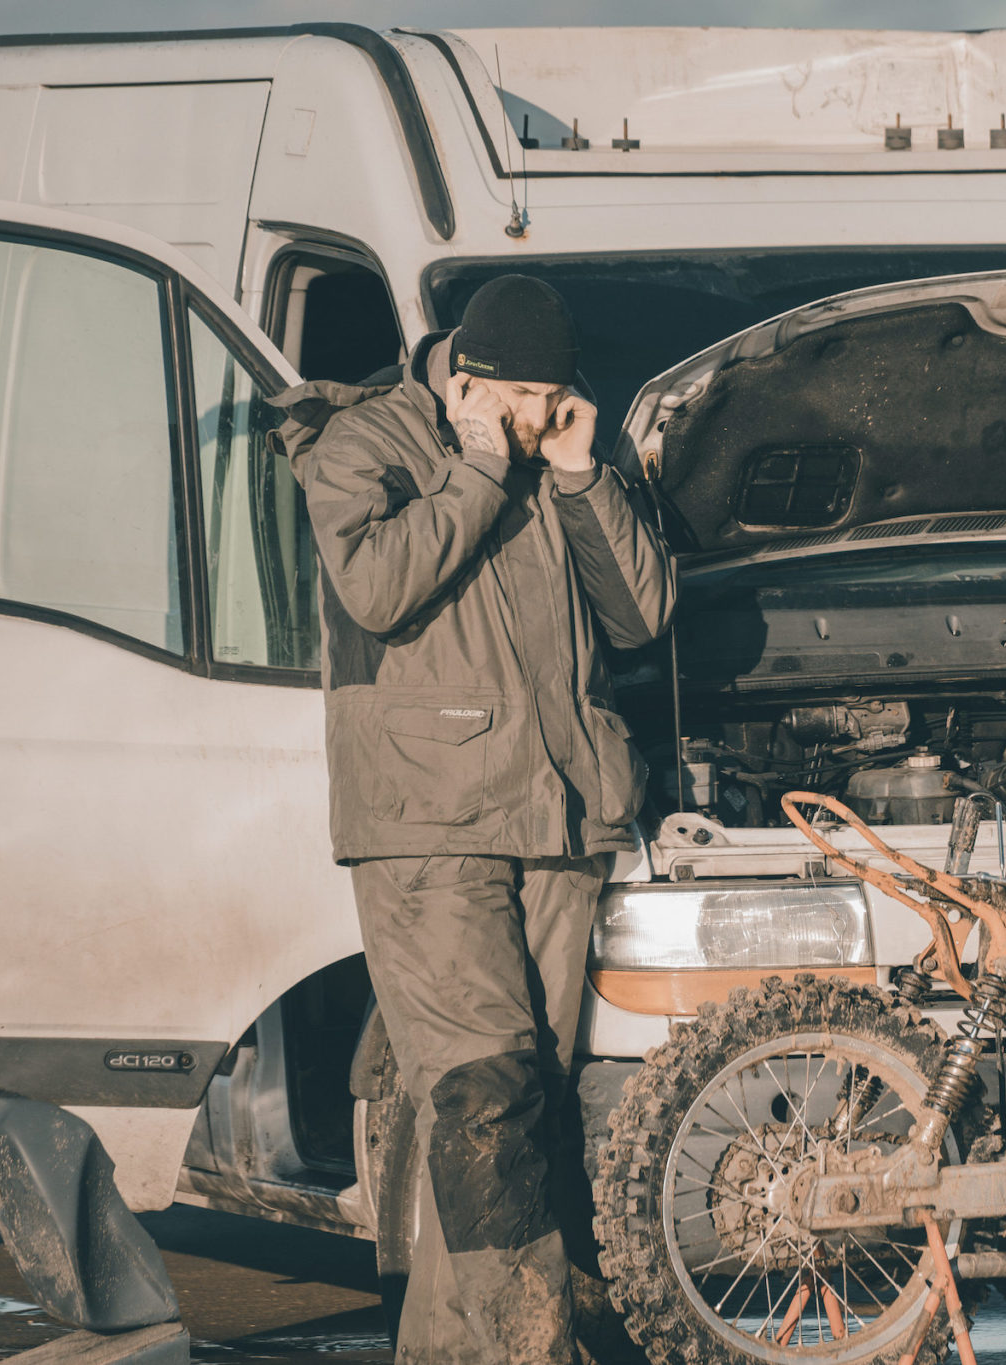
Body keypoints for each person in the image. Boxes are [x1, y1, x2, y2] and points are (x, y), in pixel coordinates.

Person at [280, 275, 674, 1364]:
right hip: (427, 820)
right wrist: (479, 470)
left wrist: (585, 474)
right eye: (521, 396)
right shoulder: (363, 444)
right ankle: (529, 1349)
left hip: (557, 817)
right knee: (484, 1097)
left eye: (555, 396)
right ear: (467, 377)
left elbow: (641, 613)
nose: (538, 413)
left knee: (519, 1113)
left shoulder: (560, 448)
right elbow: (374, 587)